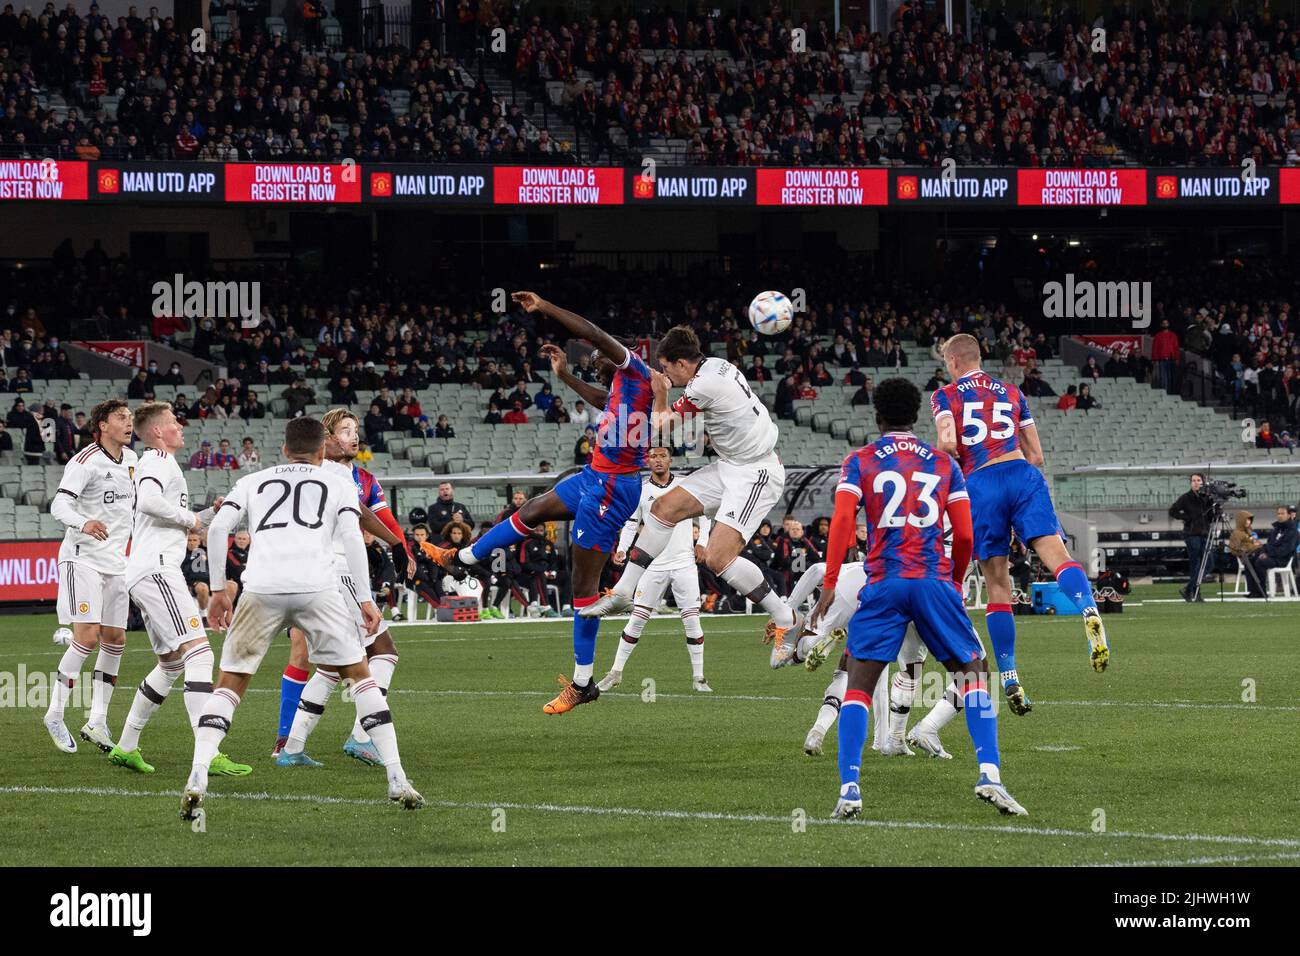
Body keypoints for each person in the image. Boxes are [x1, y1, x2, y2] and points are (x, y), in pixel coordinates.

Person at [426, 293, 656, 716]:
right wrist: (565, 375)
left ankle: (583, 684)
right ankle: (462, 558)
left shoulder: (634, 369)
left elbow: (592, 332)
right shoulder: (621, 388)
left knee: (583, 592)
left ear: (613, 355)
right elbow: (599, 400)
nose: (593, 361)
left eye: (597, 359)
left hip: (613, 488)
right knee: (531, 510)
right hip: (594, 477)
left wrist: (545, 308)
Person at [810, 377, 1026, 818]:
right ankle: (989, 775)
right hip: (932, 579)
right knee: (973, 670)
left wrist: (831, 582)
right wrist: (954, 575)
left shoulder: (860, 460)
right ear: (916, 416)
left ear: (877, 416)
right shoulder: (946, 465)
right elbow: (964, 532)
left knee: (860, 684)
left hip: (884, 582)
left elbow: (841, 526)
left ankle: (850, 788)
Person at [187, 416, 423, 820]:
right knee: (360, 674)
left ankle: (197, 776)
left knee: (230, 684)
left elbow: (218, 528)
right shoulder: (337, 482)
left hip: (261, 586)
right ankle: (396, 777)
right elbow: (351, 536)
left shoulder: (253, 480)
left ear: (283, 449)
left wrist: (221, 591)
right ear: (321, 452)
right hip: (318, 588)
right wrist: (365, 599)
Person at [580, 324, 797, 662]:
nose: (666, 373)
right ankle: (624, 592)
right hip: (731, 464)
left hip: (756, 473)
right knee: (663, 509)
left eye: (667, 367)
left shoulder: (704, 384)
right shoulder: (714, 366)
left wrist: (662, 391)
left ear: (682, 363)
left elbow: (661, 428)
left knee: (717, 558)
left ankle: (785, 616)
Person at [931, 334, 1109, 717]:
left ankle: (1010, 674)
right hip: (1021, 473)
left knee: (997, 581)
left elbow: (947, 443)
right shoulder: (1012, 391)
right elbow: (1038, 456)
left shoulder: (945, 395)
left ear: (953, 360)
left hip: (981, 483)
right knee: (1057, 555)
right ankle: (1089, 610)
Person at [109, 401, 250, 777]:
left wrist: (205, 516)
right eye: (174, 422)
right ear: (157, 430)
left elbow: (164, 514)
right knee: (200, 652)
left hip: (148, 569)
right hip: (157, 569)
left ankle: (125, 746)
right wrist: (192, 518)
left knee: (171, 662)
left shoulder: (162, 462)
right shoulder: (156, 459)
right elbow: (150, 500)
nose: (180, 427)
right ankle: (209, 749)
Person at [274, 409, 415, 762]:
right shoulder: (335, 472)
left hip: (311, 572)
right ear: (327, 438)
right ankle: (362, 737)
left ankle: (292, 747)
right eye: (345, 431)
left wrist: (396, 544)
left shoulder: (320, 473)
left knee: (332, 665)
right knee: (384, 651)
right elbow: (361, 515)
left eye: (356, 430)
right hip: (338, 570)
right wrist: (396, 544)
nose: (353, 436)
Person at [43, 400, 139, 754]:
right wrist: (84, 522)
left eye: (130, 417)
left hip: (117, 563)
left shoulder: (132, 461)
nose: (128, 422)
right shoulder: (85, 461)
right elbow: (59, 505)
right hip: (82, 558)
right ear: (101, 425)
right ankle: (55, 713)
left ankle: (97, 720)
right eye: (120, 417)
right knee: (87, 635)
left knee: (115, 639)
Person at [598, 446, 713, 693]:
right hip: (651, 564)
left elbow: (705, 514)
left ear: (670, 460)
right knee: (637, 619)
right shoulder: (640, 489)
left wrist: (702, 541)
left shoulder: (686, 485)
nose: (658, 460)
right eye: (653, 456)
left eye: (662, 456)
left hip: (683, 563)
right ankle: (615, 672)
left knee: (692, 620)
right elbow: (631, 523)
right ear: (647, 461)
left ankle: (699, 678)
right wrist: (622, 548)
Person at [1168, 473, 1214, 601]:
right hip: (1192, 534)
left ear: (1203, 482)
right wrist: (1187, 518)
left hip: (1206, 533)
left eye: (1198, 480)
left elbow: (1211, 515)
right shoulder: (1185, 497)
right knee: (1196, 564)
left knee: (1209, 563)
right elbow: (1172, 511)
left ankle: (1189, 588)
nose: (1195, 482)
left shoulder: (1208, 497)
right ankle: (1195, 592)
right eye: (1193, 480)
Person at [1247, 506, 1298, 598]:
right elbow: (1268, 544)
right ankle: (1253, 591)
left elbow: (1286, 550)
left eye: (1282, 513)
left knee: (1260, 562)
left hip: (1283, 560)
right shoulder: (1277, 528)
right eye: (1278, 513)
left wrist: (1268, 554)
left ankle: (1261, 591)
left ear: (1289, 515)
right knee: (1250, 560)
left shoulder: (1293, 531)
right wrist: (1263, 552)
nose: (1280, 516)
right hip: (1272, 557)